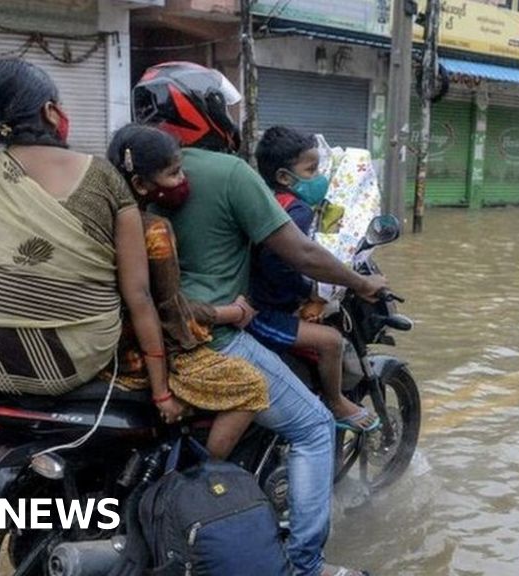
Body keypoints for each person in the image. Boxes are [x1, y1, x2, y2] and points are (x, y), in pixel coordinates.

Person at [133, 61, 385, 576]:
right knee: (315, 427)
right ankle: (306, 564)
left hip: (151, 334)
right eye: (222, 106)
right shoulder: (229, 173)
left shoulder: (133, 176)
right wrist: (361, 283)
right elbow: (301, 254)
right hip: (217, 335)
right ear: (202, 110)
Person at [0, 57, 167, 401]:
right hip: (67, 363)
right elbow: (138, 295)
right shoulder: (103, 178)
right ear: (51, 112)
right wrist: (161, 391)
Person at [105, 124, 269, 459]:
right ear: (140, 185)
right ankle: (204, 476)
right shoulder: (154, 230)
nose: (182, 180)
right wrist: (231, 313)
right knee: (253, 386)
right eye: (173, 173)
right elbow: (167, 308)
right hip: (141, 357)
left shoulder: (100, 220)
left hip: (105, 347)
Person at [251, 126, 380, 433]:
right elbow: (282, 265)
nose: (319, 177)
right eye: (311, 170)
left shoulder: (269, 200)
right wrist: (312, 291)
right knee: (331, 341)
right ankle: (336, 402)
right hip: (264, 313)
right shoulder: (295, 211)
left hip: (260, 301)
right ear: (284, 177)